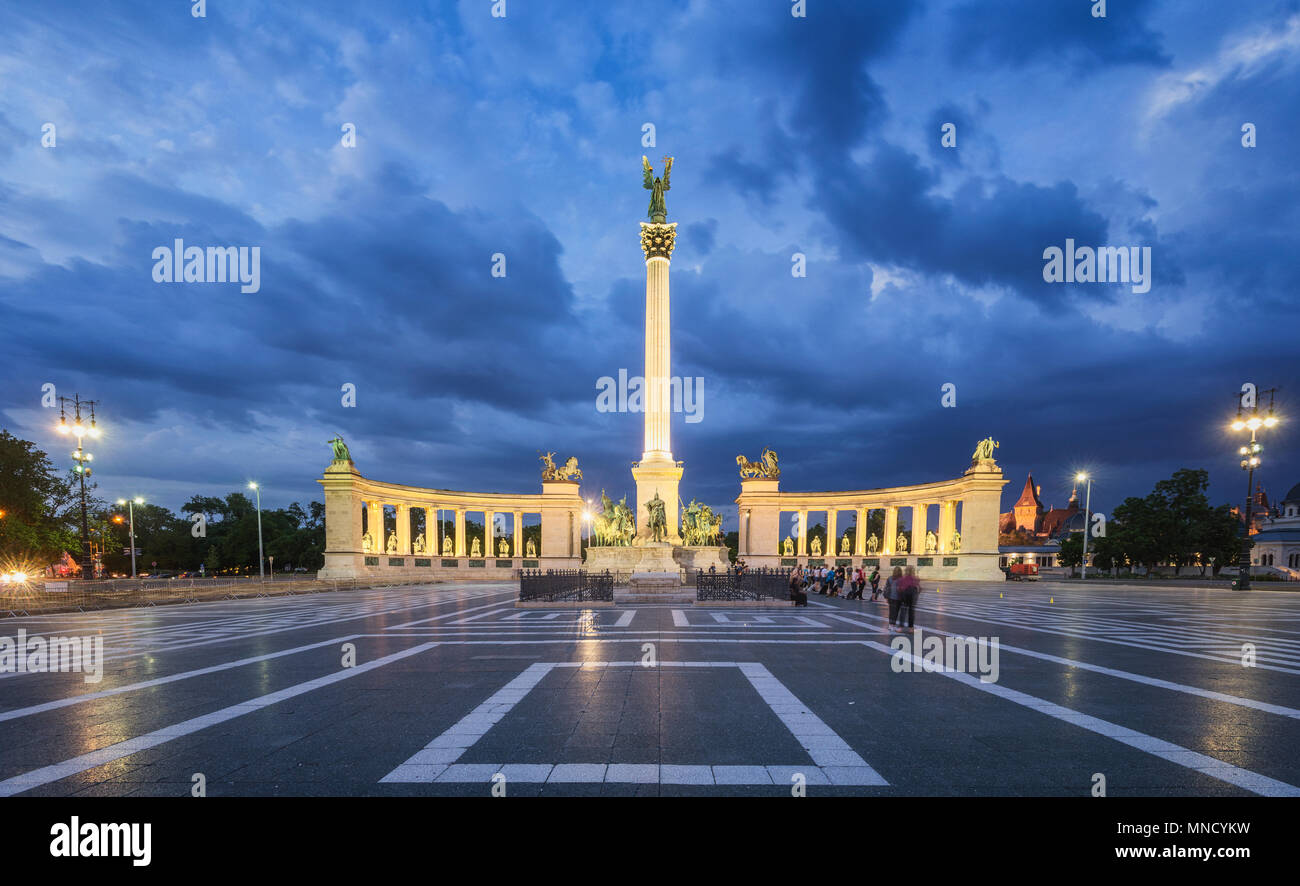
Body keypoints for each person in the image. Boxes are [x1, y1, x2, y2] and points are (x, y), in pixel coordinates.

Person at [896, 565, 921, 630]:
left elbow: (898, 589)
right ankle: (911, 628)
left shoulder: (902, 578)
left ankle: (900, 628)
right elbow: (919, 588)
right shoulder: (916, 578)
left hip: (904, 597)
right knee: (911, 613)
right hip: (913, 597)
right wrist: (917, 594)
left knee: (903, 612)